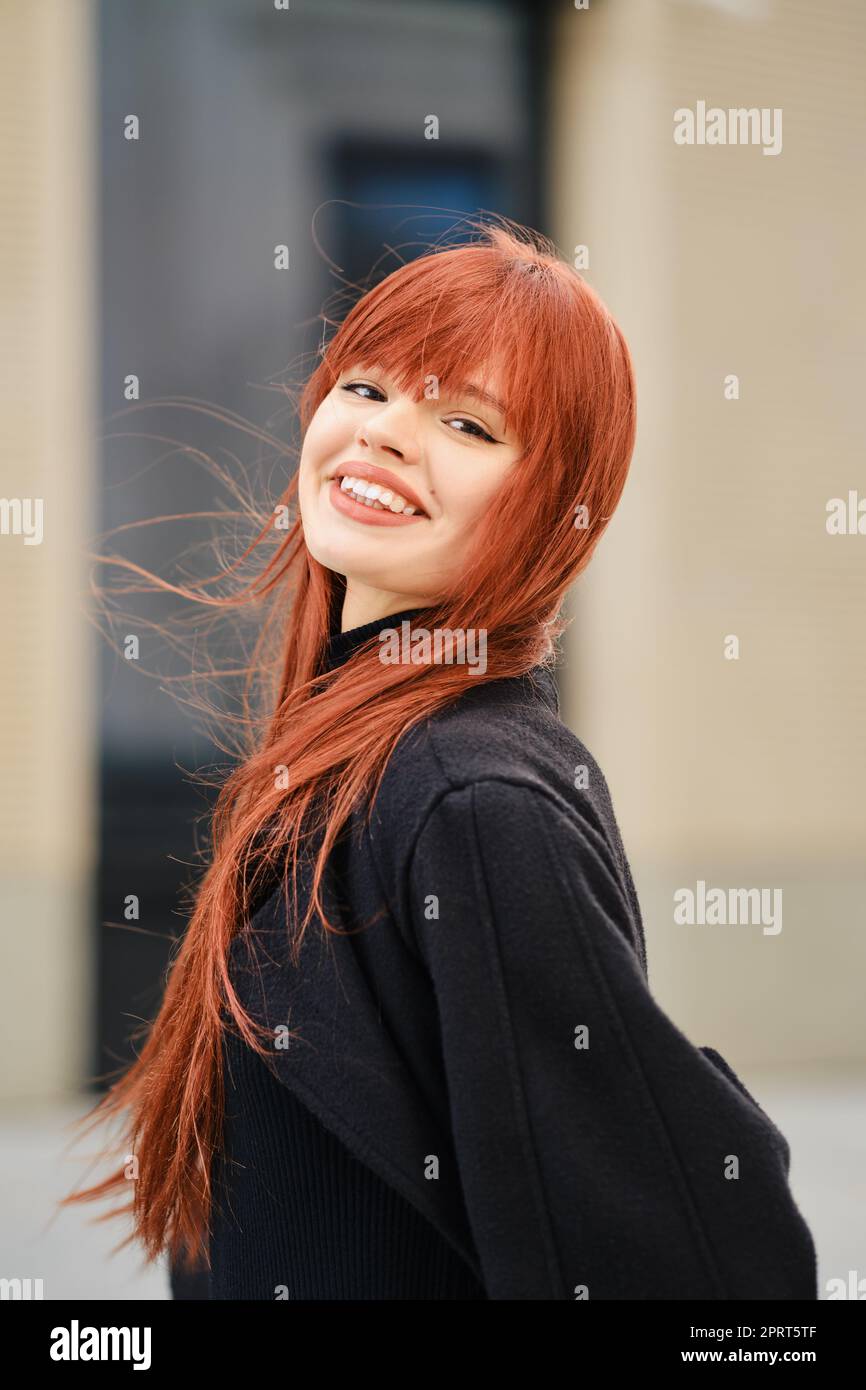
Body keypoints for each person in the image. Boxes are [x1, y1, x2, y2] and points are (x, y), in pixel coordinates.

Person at [64, 220, 818, 1300]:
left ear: (554, 516)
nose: (386, 434)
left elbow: (681, 1248)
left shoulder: (468, 798)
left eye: (466, 421)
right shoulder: (344, 748)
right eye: (366, 387)